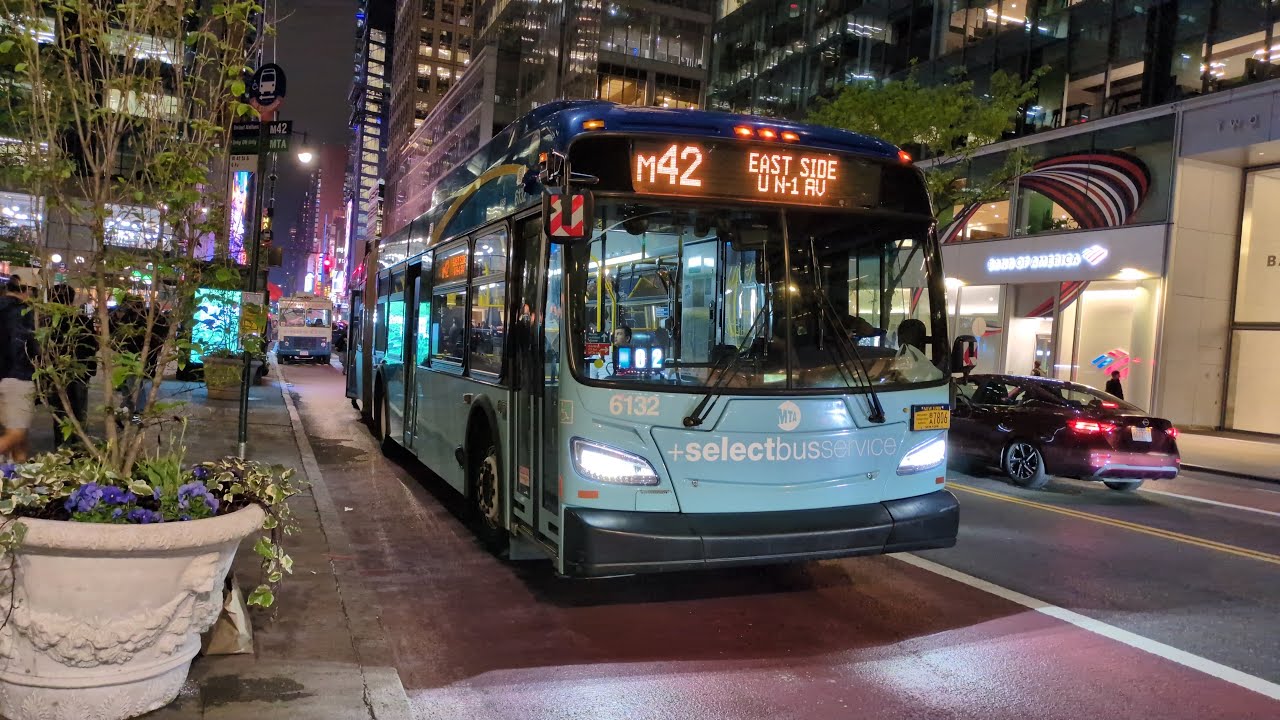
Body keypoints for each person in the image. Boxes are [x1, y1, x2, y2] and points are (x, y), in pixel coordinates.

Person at [47, 284, 98, 447]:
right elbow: (92, 346)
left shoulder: (47, 321)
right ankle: (78, 449)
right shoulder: (82, 320)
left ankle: (61, 449)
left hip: (56, 373)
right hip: (79, 373)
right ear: (72, 299)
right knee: (79, 412)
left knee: (59, 414)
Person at [0, 280, 37, 461]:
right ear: (28, 290)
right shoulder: (22, 312)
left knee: (19, 437)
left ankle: (18, 478)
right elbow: (22, 345)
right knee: (17, 432)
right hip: (17, 376)